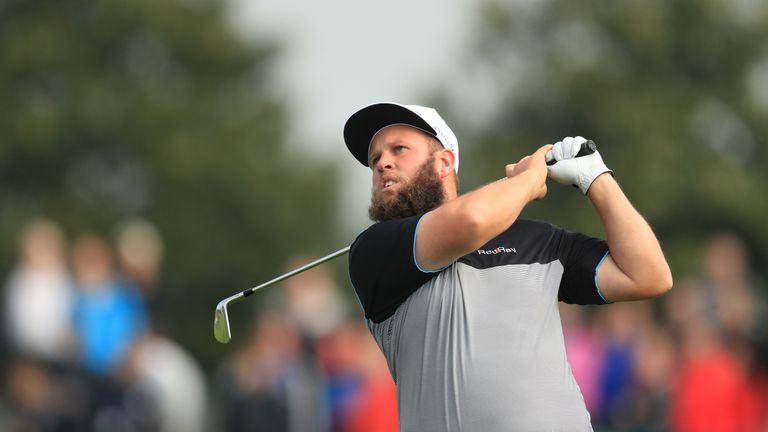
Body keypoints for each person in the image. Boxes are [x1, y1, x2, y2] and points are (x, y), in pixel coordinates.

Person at [342, 102, 673, 431]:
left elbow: (647, 276)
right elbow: (471, 220)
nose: (383, 163)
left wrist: (596, 178)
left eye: (398, 149)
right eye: (375, 160)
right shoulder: (375, 251)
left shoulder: (538, 240)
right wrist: (529, 180)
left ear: (444, 162)